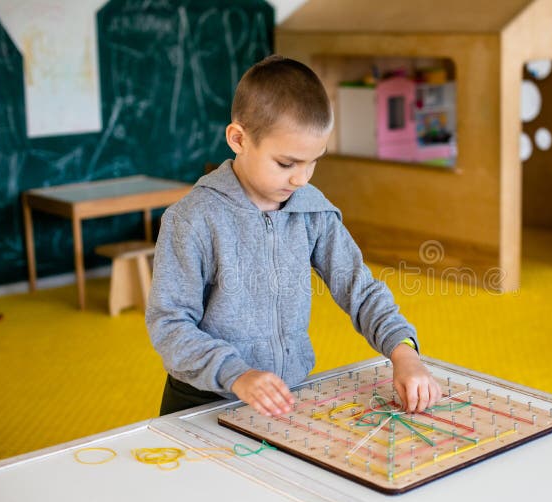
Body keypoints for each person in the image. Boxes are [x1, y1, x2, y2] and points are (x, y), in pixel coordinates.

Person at [146, 54, 441, 417]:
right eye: (286, 164)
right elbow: (170, 324)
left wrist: (403, 350)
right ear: (238, 139)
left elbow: (359, 289)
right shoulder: (192, 220)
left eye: (314, 161)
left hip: (284, 399)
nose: (301, 179)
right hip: (203, 401)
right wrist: (236, 374)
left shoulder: (312, 210)